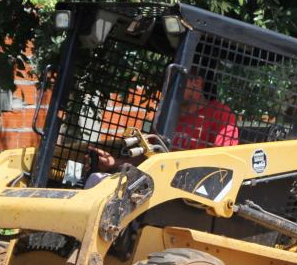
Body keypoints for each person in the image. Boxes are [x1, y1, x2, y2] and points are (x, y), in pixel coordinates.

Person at [84, 72, 239, 183]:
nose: (170, 91)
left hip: (189, 192)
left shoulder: (220, 114)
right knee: (96, 181)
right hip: (154, 183)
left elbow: (223, 163)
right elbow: (147, 157)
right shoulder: (166, 115)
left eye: (176, 84)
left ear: (196, 82)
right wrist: (114, 163)